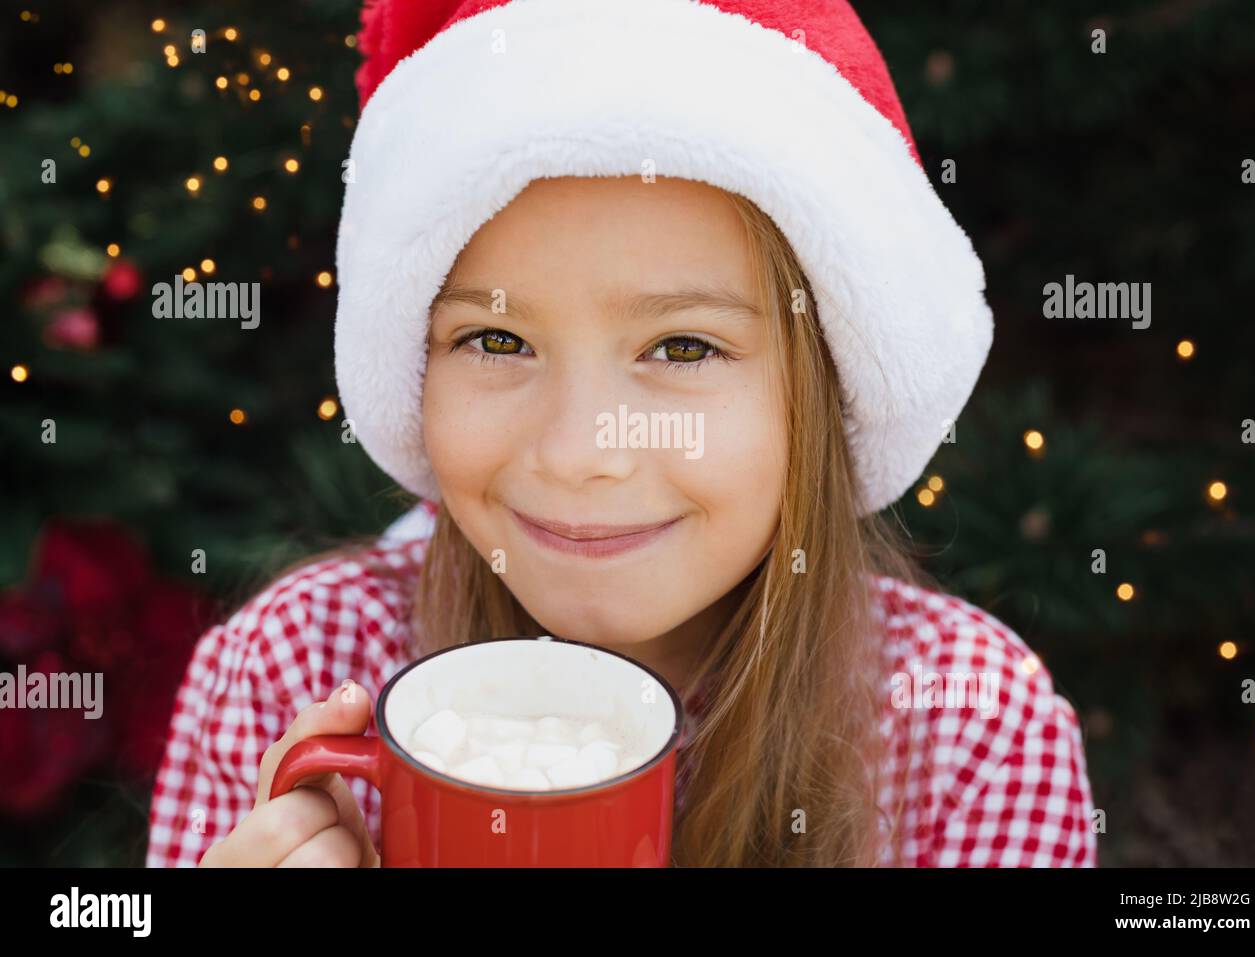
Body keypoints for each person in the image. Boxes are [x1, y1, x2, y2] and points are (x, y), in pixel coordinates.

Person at [147, 0, 1096, 867]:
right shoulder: (289, 670)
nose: (578, 451)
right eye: (497, 338)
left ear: (828, 391)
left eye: (682, 346)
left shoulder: (972, 730)